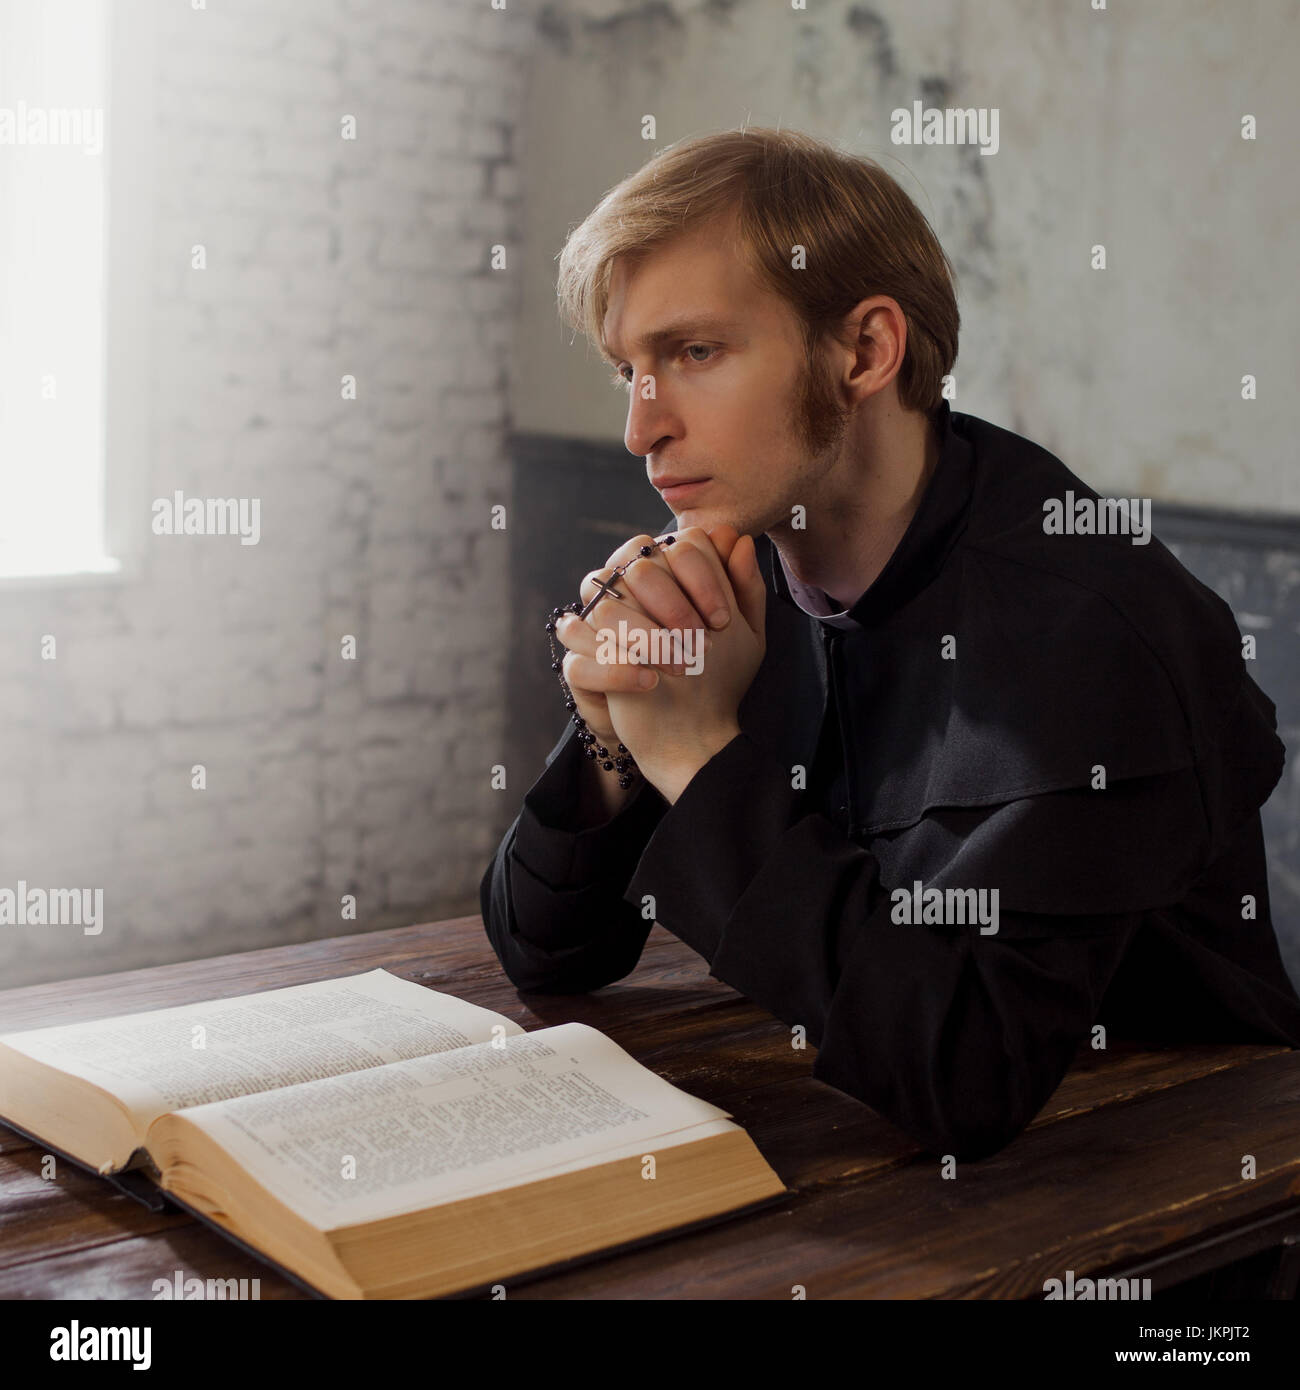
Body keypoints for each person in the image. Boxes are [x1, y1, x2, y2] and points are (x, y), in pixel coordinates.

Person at [480, 127, 1300, 1160]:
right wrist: (609, 741)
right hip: (855, 1149)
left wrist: (693, 752)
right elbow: (546, 951)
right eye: (626, 371)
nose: (642, 428)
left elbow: (969, 1069)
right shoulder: (739, 560)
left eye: (694, 353)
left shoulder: (1095, 622)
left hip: (1161, 1190)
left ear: (864, 350)